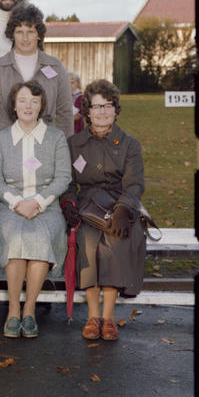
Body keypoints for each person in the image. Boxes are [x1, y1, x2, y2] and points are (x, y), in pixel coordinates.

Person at [61, 79, 146, 341]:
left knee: (116, 240)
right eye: (96, 106)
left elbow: (134, 183)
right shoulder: (74, 143)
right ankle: (92, 316)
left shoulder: (130, 144)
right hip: (86, 209)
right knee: (87, 242)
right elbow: (67, 182)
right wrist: (68, 203)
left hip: (118, 208)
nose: (101, 112)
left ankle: (108, 318)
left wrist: (124, 209)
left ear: (115, 109)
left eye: (107, 106)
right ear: (87, 111)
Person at [0, 81, 72, 338]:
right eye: (23, 100)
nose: (28, 106)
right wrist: (16, 203)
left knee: (38, 238)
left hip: (45, 206)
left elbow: (63, 177)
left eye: (34, 101)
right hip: (9, 206)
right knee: (16, 238)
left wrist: (38, 202)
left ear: (41, 107)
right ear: (14, 106)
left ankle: (29, 310)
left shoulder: (56, 137)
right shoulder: (1, 138)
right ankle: (13, 310)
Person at [0, 2, 74, 139]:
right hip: (6, 145)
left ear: (38, 35)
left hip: (46, 142)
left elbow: (65, 113)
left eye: (30, 31)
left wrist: (66, 150)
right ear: (12, 34)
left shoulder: (56, 67)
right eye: (19, 32)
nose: (25, 38)